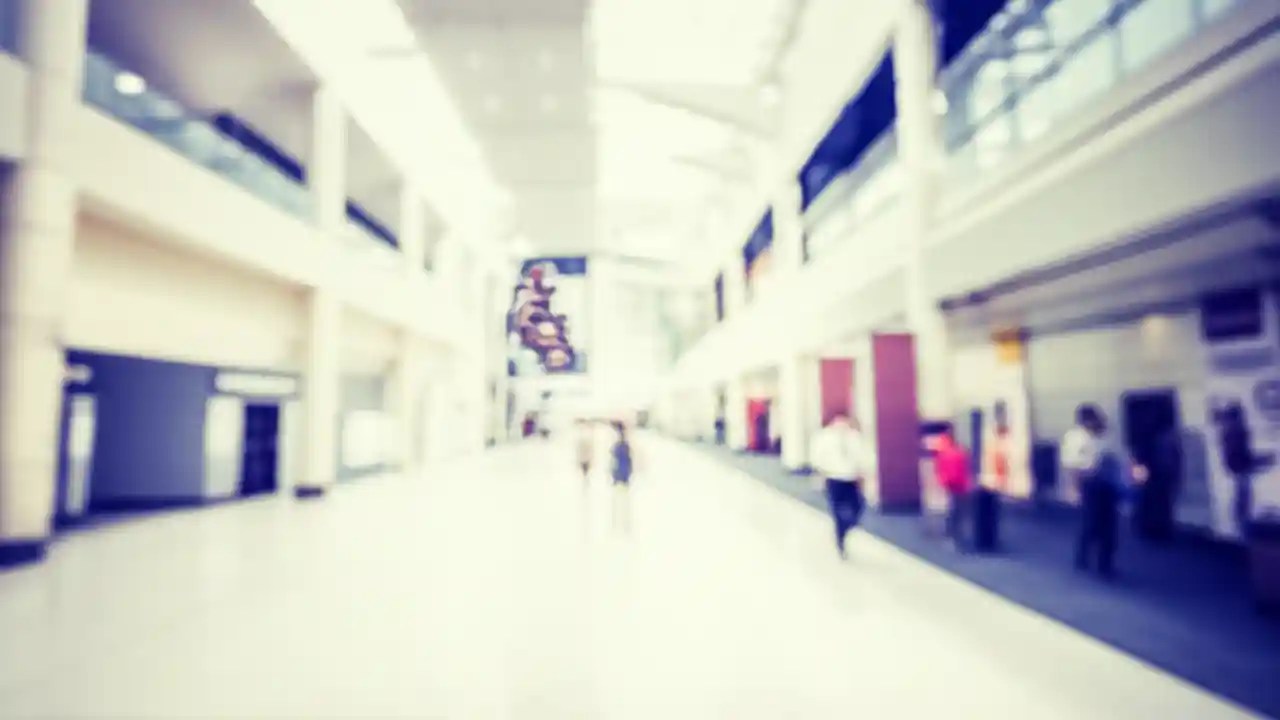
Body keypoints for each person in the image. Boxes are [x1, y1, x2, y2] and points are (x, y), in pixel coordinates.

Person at [1064, 405, 1142, 578]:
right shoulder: (1075, 437)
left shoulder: (1102, 435)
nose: (1096, 422)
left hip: (1106, 483)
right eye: (1093, 419)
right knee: (1091, 523)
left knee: (1109, 525)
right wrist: (1073, 488)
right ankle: (1083, 558)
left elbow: (1117, 457)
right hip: (1089, 482)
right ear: (1085, 420)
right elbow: (1072, 466)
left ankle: (1105, 564)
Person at [810, 414, 869, 559]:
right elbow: (817, 456)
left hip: (851, 478)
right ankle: (840, 537)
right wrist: (821, 472)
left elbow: (863, 455)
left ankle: (845, 527)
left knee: (858, 506)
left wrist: (863, 472)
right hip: (833, 477)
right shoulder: (824, 437)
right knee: (837, 508)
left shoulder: (855, 437)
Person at [1218, 404, 1255, 539]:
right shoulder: (1236, 432)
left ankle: (1240, 523)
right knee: (1243, 495)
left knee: (1241, 495)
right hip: (1241, 467)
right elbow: (1240, 452)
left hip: (1238, 467)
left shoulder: (1228, 432)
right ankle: (1242, 524)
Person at [934, 429, 974, 551]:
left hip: (951, 485)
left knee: (953, 511)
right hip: (961, 486)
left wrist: (943, 483)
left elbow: (940, 470)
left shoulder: (944, 453)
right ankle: (959, 536)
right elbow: (966, 469)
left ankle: (953, 536)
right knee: (959, 512)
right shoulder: (961, 452)